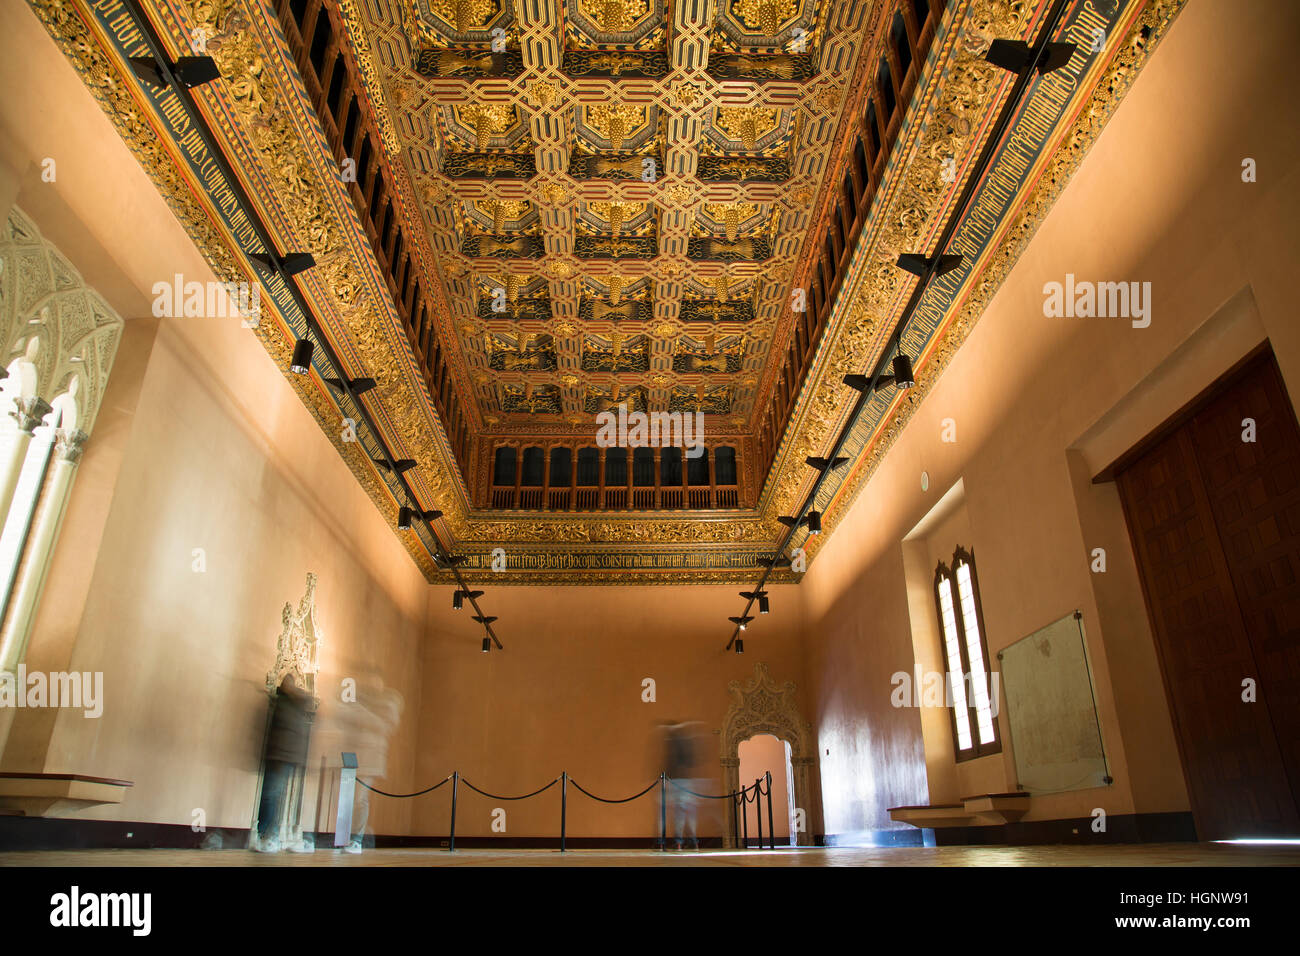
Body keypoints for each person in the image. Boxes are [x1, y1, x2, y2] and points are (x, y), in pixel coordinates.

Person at [255, 673, 317, 852]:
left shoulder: (298, 701)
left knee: (273, 794)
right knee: (270, 794)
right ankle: (264, 834)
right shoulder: (282, 702)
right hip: (276, 754)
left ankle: (271, 834)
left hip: (285, 755)